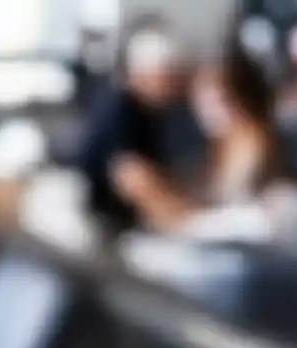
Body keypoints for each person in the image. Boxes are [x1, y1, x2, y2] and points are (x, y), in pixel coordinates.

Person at [113, 44, 297, 241]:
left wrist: (155, 196)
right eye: (201, 98)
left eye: (216, 98)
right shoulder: (226, 145)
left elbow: (226, 221)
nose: (205, 109)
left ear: (241, 98)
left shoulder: (255, 143)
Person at [77, 17, 207, 229]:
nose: (176, 86)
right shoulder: (120, 112)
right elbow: (132, 177)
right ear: (142, 76)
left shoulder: (159, 110)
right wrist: (186, 223)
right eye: (168, 78)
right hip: (108, 226)